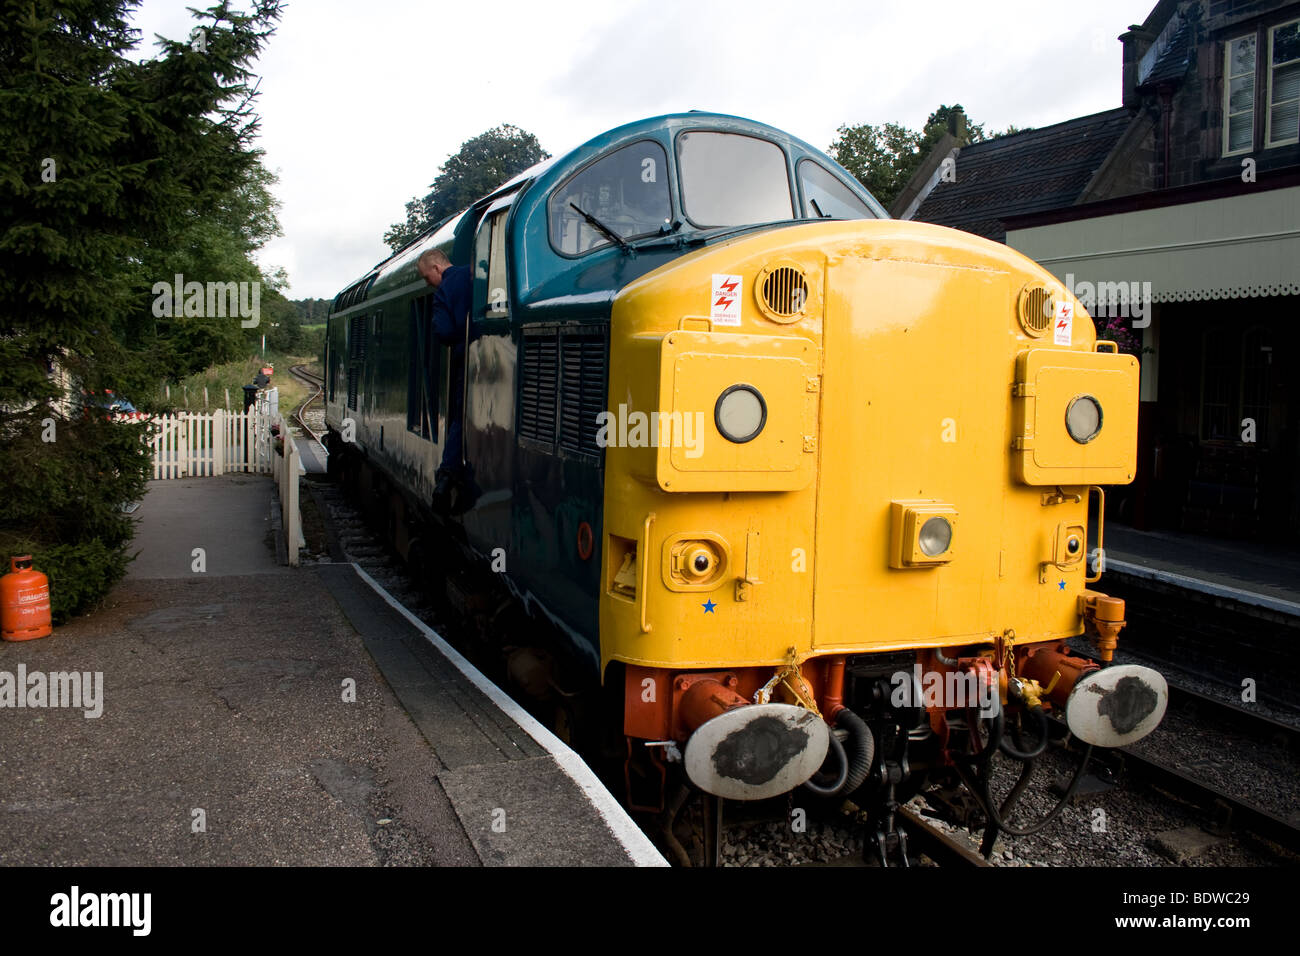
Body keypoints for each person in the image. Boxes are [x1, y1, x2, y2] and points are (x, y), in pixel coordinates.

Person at [416, 247, 472, 513]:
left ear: (437, 268)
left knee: (460, 418)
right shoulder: (474, 275)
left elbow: (445, 332)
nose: (429, 284)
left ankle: (448, 474)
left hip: (466, 363)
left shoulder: (444, 293)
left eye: (428, 278)